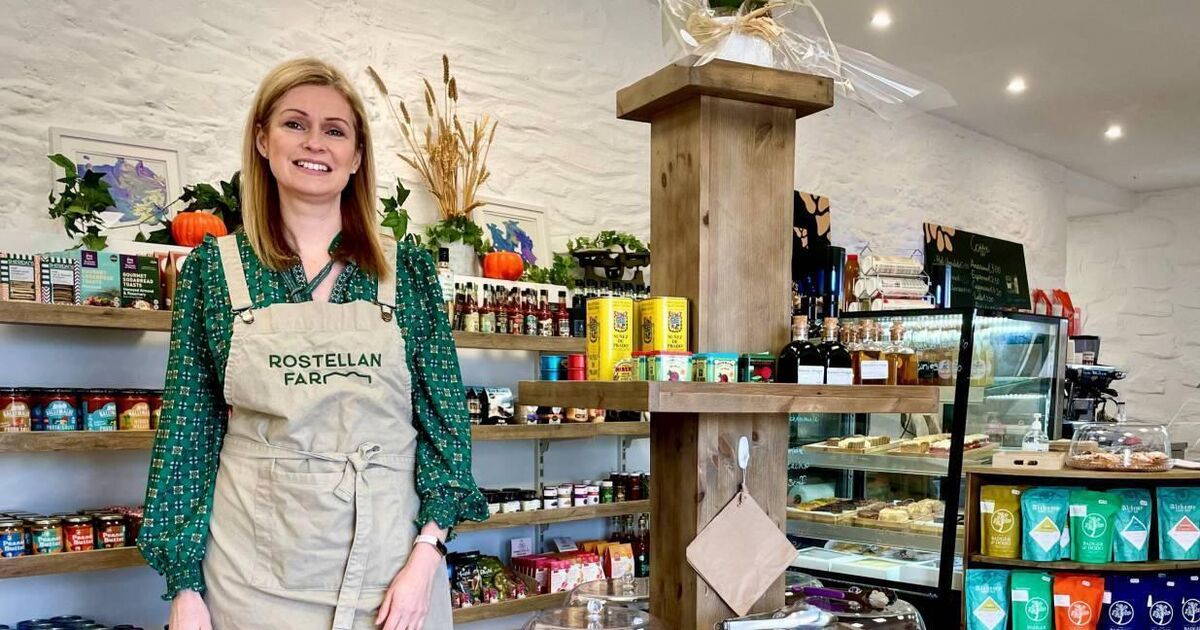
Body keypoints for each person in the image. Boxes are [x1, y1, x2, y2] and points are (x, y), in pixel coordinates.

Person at [137, 57, 487, 630]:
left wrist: (428, 554)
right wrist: (184, 587)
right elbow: (188, 433)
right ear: (263, 139)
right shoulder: (213, 272)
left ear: (355, 157)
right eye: (295, 124)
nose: (315, 143)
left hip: (393, 573)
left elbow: (445, 424)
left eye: (335, 130)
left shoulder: (409, 274)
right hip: (251, 578)